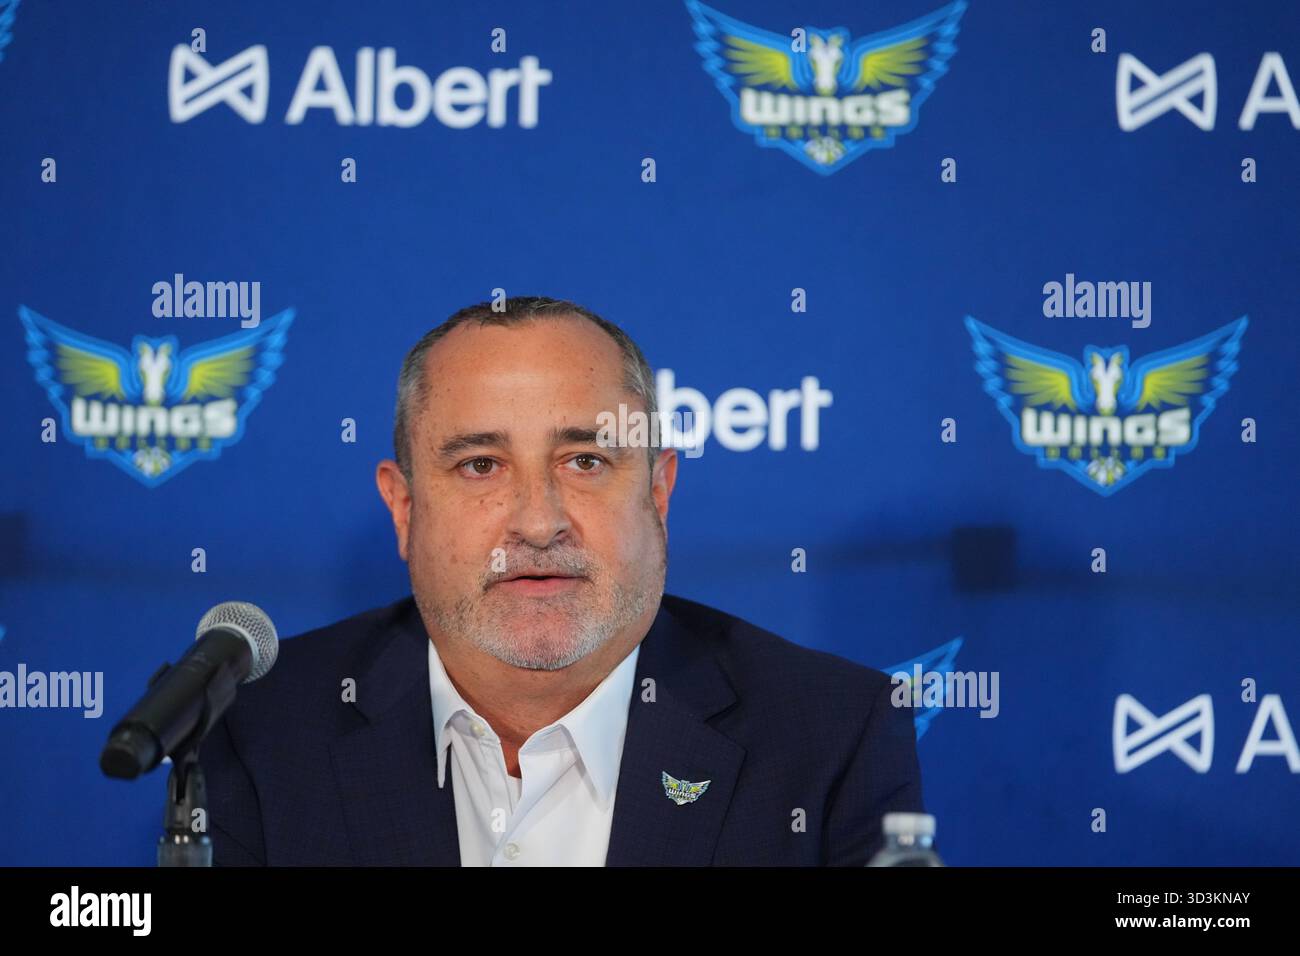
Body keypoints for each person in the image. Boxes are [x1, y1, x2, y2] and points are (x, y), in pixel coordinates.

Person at [200, 295, 924, 866]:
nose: (538, 523)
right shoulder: (259, 726)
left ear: (658, 493)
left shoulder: (829, 735)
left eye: (585, 461)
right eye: (481, 465)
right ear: (404, 507)